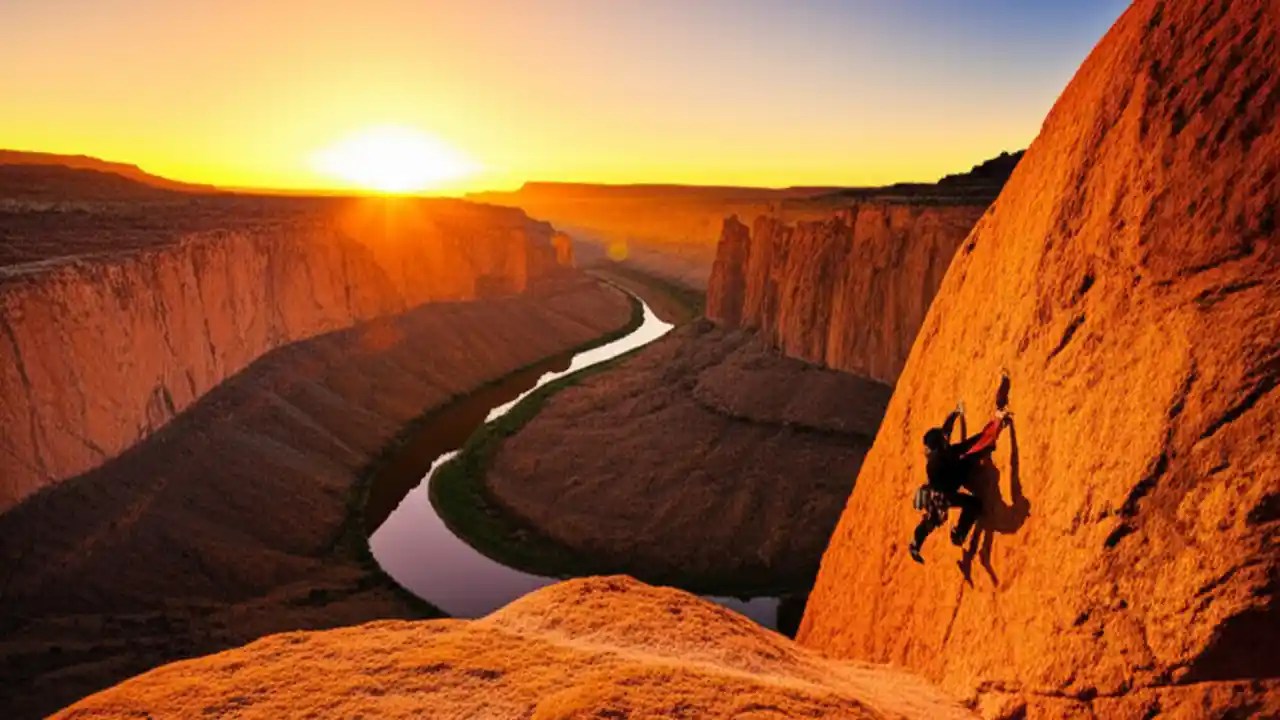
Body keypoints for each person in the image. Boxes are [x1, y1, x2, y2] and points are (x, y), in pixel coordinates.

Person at [908, 399, 1012, 564]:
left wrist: (956, 413)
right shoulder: (944, 457)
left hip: (946, 487)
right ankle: (958, 534)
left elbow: (946, 431)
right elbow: (974, 442)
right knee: (973, 503)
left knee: (933, 519)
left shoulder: (938, 456)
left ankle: (926, 542)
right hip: (950, 485)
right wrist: (997, 421)